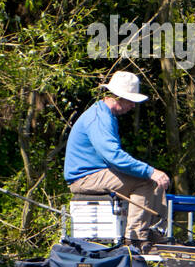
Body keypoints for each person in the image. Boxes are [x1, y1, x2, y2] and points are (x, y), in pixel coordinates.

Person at [64, 71, 170, 250]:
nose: (133, 106)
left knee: (154, 181)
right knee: (146, 180)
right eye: (131, 101)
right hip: (84, 178)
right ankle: (135, 238)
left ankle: (153, 231)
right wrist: (151, 171)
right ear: (119, 97)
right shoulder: (99, 118)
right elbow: (113, 157)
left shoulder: (105, 115)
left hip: (95, 174)